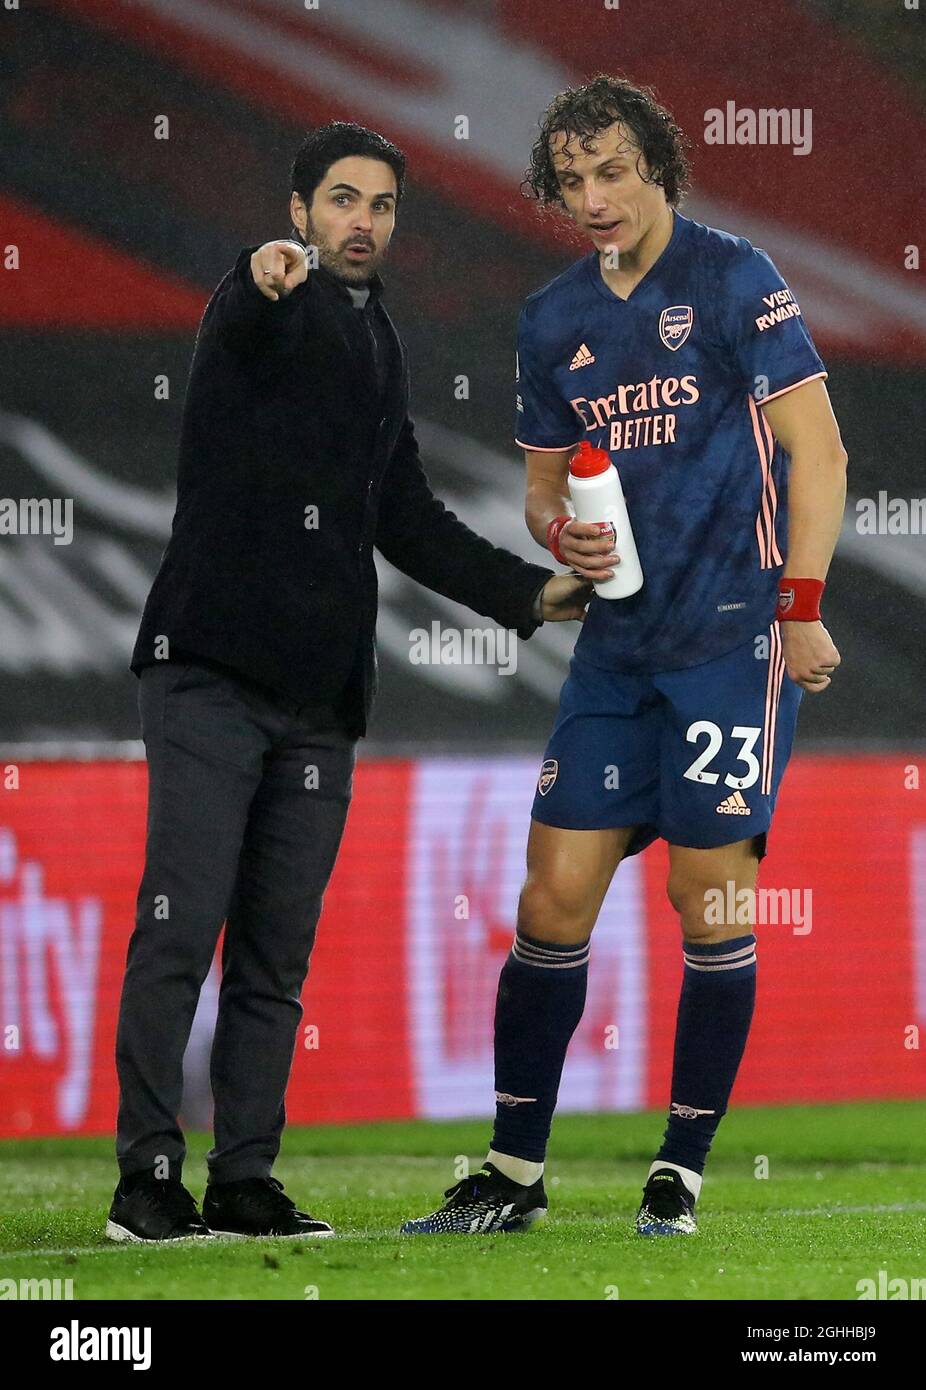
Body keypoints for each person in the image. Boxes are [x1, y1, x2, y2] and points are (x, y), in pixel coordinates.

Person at [108, 121, 588, 1243]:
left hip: (320, 699)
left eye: (379, 205)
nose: (359, 221)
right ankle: (146, 1177)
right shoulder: (266, 306)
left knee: (275, 952)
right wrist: (254, 277)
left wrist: (530, 596)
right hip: (209, 672)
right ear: (297, 212)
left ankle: (242, 1179)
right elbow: (248, 305)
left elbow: (404, 515)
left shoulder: (381, 347)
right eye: (338, 200)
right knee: (180, 929)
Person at [402, 76, 846, 1238]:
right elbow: (544, 495)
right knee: (548, 900)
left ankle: (680, 1171)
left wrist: (799, 604)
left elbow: (820, 449)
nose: (592, 198)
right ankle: (510, 1171)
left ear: (656, 166)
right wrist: (564, 535)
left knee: (707, 905)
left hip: (728, 642)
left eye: (611, 172)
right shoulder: (551, 319)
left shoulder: (731, 274)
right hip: (614, 651)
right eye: (570, 180)